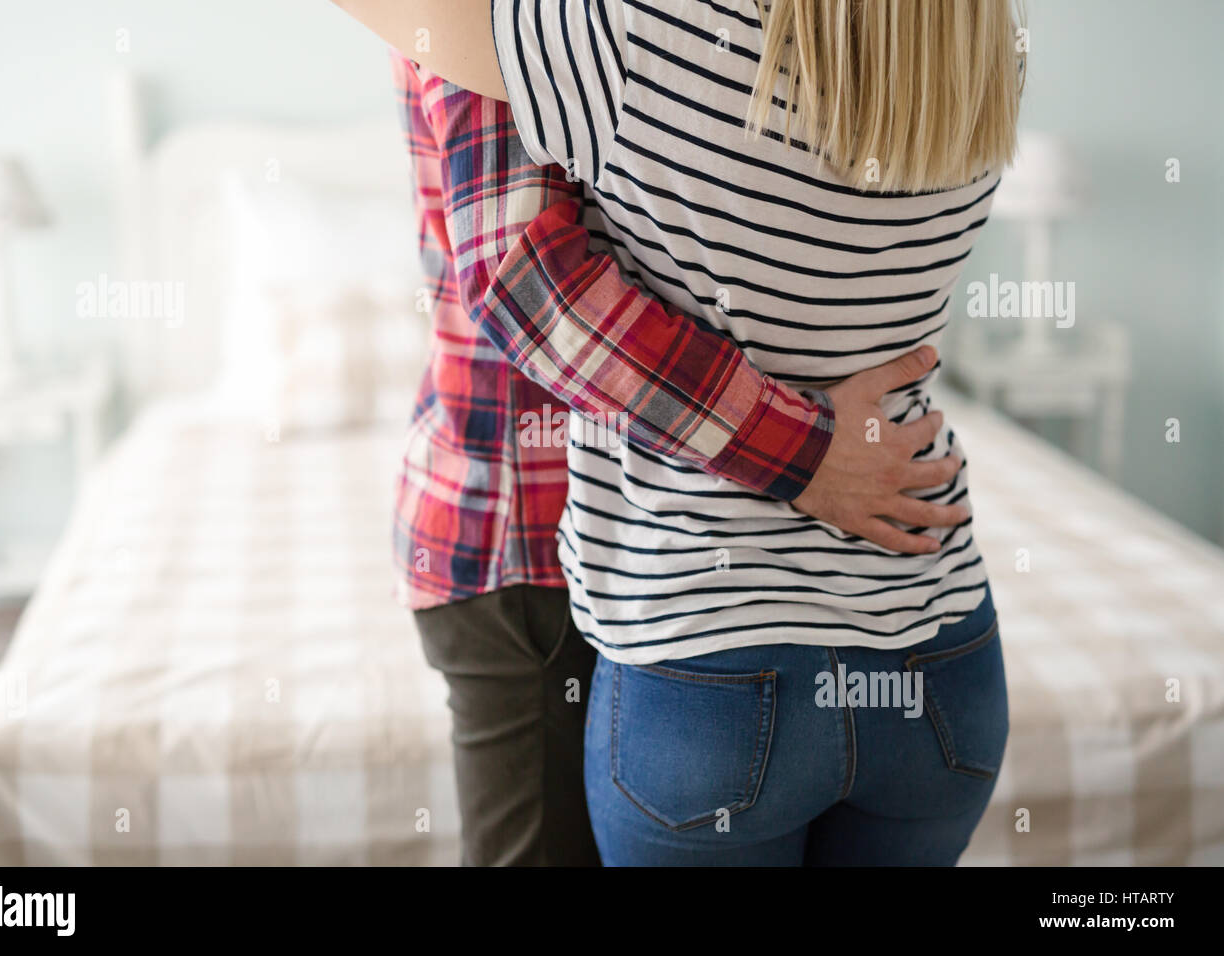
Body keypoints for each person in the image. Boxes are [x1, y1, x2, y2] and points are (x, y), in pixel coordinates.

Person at [338, 0, 1013, 865]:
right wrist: (811, 455)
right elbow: (529, 271)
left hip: (694, 638)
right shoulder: (986, 41)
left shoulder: (631, 32)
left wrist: (806, 454)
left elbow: (527, 280)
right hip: (938, 634)